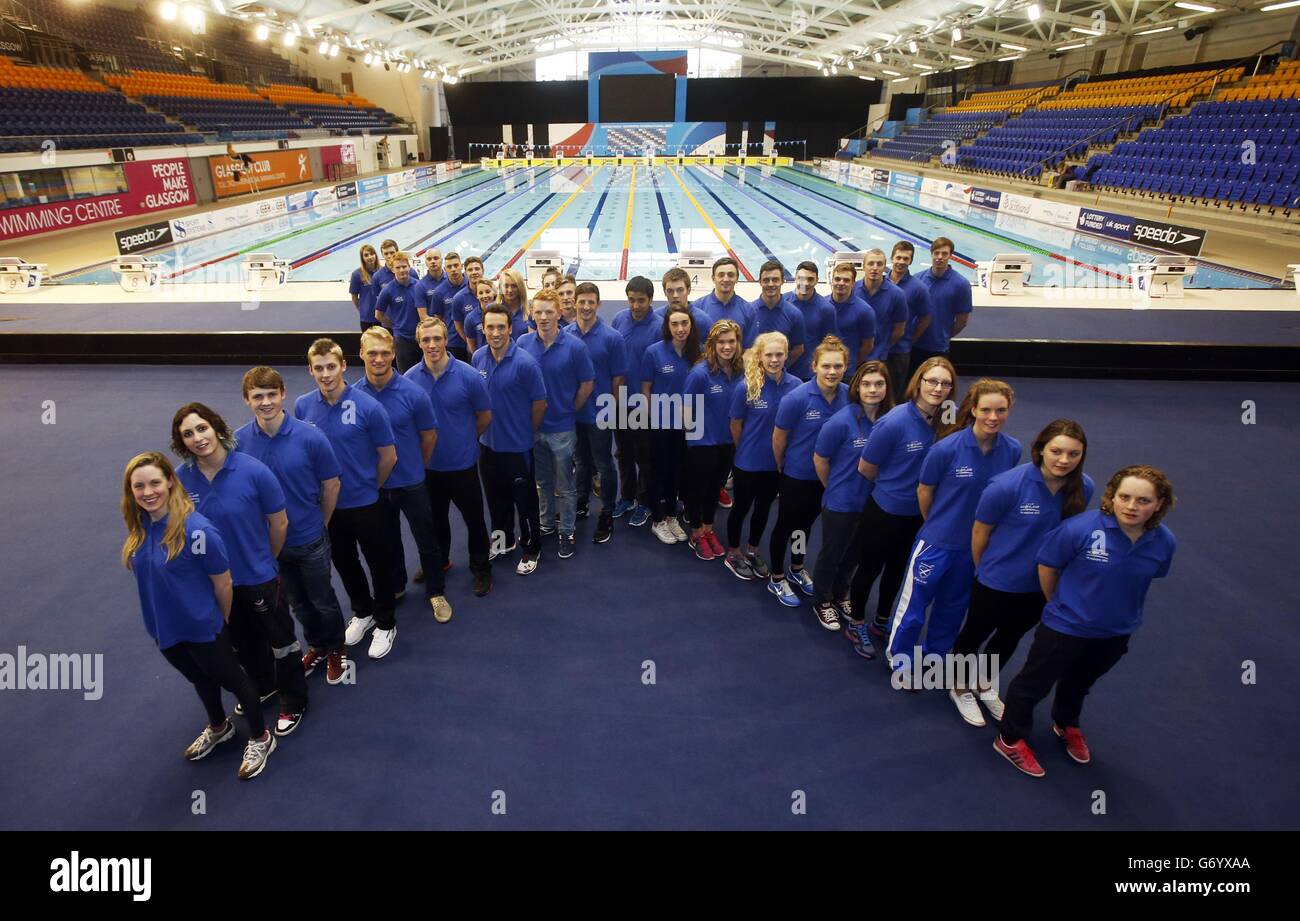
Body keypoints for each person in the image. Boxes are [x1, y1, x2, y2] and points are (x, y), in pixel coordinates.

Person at [994, 466, 1177, 778]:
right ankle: (1010, 738)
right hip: (1065, 627)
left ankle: (1065, 723)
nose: (1132, 506)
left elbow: (1148, 577)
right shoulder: (1079, 530)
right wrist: (1061, 606)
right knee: (1032, 685)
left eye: (1143, 500)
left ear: (1159, 504)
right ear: (1112, 498)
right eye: (1125, 497)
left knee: (1080, 683)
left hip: (1115, 632)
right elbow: (1048, 566)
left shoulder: (1164, 542)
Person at [121, 451, 276, 780]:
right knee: (199, 678)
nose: (148, 492)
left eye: (154, 483)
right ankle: (219, 727)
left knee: (236, 681)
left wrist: (217, 622)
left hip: (204, 628)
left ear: (170, 483)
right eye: (139, 486)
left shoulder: (198, 531)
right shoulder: (139, 530)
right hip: (164, 629)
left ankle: (261, 737)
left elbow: (223, 583)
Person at [171, 403, 309, 736]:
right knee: (243, 643)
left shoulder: (254, 470)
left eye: (202, 428)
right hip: (216, 583)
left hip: (258, 577)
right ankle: (265, 684)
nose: (198, 438)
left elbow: (279, 523)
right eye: (188, 434)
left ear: (217, 428)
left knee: (282, 642)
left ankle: (294, 700)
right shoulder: (180, 479)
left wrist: (263, 559)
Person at [950, 419, 1093, 727]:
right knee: (974, 634)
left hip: (1041, 585)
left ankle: (983, 682)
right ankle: (958, 687)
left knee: (1010, 636)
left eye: (1073, 454)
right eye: (1056, 451)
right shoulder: (1006, 486)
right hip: (996, 581)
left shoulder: (1084, 487)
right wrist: (986, 570)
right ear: (1040, 449)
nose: (1064, 460)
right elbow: (979, 533)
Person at [886, 379, 1021, 681]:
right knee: (915, 607)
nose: (993, 417)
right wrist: (938, 523)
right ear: (973, 409)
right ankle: (901, 656)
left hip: (974, 547)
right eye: (986, 409)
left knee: (954, 606)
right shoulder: (946, 448)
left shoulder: (1011, 450)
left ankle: (935, 656)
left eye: (1001, 410)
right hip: (936, 543)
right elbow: (924, 490)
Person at [235, 367, 349, 685]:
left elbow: (331, 485)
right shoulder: (239, 442)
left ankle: (336, 647)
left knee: (322, 598)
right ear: (247, 400)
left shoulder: (310, 436)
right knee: (297, 603)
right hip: (271, 545)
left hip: (310, 538)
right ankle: (317, 645)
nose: (266, 402)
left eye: (272, 395)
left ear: (283, 394)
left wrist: (319, 524)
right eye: (258, 396)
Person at [294, 338, 400, 660]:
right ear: (311, 370)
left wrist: (369, 486)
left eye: (331, 367)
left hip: (367, 503)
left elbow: (389, 457)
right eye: (319, 368)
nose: (326, 374)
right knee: (345, 563)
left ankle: (385, 621)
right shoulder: (303, 406)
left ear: (343, 366)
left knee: (379, 565)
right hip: (328, 507)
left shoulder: (369, 406)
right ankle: (363, 612)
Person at [850, 357, 958, 641]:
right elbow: (866, 467)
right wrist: (893, 487)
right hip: (885, 512)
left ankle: (882, 619)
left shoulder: (947, 421)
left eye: (945, 383)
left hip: (919, 514)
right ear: (918, 382)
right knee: (869, 568)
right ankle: (856, 622)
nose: (938, 388)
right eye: (932, 381)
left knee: (898, 570)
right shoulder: (894, 421)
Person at [355, 326, 453, 624]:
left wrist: (416, 466)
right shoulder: (354, 396)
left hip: (411, 482)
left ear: (393, 354)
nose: (379, 359)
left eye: (385, 353)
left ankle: (436, 591)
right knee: (387, 542)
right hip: (376, 487)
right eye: (372, 353)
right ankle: (395, 587)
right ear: (361, 354)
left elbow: (429, 436)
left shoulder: (413, 392)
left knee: (426, 539)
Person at [408, 316, 493, 596]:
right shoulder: (409, 380)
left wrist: (465, 439)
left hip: (463, 465)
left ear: (446, 340)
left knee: (475, 521)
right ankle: (440, 562)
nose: (432, 345)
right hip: (429, 468)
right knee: (435, 522)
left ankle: (481, 569)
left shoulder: (468, 376)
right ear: (419, 343)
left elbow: (484, 416)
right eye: (426, 340)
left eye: (437, 339)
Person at [811, 360, 893, 648]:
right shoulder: (840, 422)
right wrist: (833, 487)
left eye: (879, 384)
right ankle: (822, 599)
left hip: (873, 504)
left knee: (855, 554)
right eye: (867, 384)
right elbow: (820, 459)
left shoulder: (890, 421)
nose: (872, 389)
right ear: (857, 387)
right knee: (832, 553)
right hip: (841, 502)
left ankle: (840, 593)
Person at [766, 335, 849, 609]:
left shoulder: (849, 396)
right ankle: (777, 576)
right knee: (785, 526)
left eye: (838, 366)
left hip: (828, 479)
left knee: (805, 526)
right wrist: (783, 466)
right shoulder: (797, 398)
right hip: (796, 476)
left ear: (845, 367)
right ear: (814, 366)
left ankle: (797, 565)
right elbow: (779, 438)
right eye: (826, 366)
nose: (832, 371)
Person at [518, 289, 595, 559]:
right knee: (542, 481)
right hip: (534, 428)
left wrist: (569, 409)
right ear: (531, 314)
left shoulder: (575, 347)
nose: (543, 317)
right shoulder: (523, 344)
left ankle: (568, 529)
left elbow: (587, 384)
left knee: (566, 483)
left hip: (562, 428)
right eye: (538, 312)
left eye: (549, 312)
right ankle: (547, 522)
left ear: (559, 313)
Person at [473, 303, 548, 575]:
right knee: (495, 499)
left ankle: (532, 547)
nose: (495, 332)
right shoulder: (478, 358)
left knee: (525, 503)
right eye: (490, 327)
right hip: (488, 446)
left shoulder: (526, 363)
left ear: (510, 328)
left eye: (500, 327)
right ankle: (503, 541)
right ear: (483, 328)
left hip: (517, 447)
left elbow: (540, 404)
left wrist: (525, 433)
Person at [724, 331, 800, 580]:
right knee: (741, 508)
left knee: (763, 509)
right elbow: (736, 424)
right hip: (747, 462)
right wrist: (745, 447)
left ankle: (753, 550)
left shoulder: (797, 387)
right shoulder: (746, 386)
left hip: (777, 465)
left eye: (779, 354)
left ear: (787, 355)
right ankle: (733, 553)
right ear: (760, 356)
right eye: (769, 355)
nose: (774, 359)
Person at [569, 281, 627, 543]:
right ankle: (581, 501)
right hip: (574, 413)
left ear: (598, 304)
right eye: (582, 301)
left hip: (600, 413)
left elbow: (618, 378)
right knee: (581, 462)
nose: (586, 306)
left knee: (604, 464)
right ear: (574, 303)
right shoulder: (566, 334)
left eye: (591, 302)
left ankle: (607, 509)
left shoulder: (612, 337)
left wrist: (612, 409)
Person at [682, 319, 743, 560]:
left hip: (727, 442)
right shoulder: (700, 373)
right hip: (702, 444)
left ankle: (708, 528)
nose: (727, 346)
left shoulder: (740, 371)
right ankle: (696, 532)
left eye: (731, 341)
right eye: (721, 342)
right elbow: (685, 409)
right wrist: (693, 440)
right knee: (697, 490)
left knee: (714, 488)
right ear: (712, 344)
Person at [640, 305, 699, 545]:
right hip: (661, 423)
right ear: (667, 326)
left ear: (691, 326)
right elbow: (645, 389)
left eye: (684, 323)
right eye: (674, 324)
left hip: (688, 423)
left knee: (678, 471)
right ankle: (658, 519)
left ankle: (672, 514)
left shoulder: (698, 354)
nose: (680, 329)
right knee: (657, 471)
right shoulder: (654, 352)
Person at [611, 276, 661, 526]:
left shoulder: (659, 326)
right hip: (619, 400)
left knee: (645, 456)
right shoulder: (619, 319)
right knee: (623, 453)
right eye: (631, 300)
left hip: (644, 403)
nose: (635, 305)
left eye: (641, 301)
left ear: (650, 300)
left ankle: (644, 502)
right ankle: (627, 497)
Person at [911, 236, 971, 377]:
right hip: (914, 344)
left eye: (944, 254)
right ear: (931, 254)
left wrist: (944, 336)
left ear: (951, 256)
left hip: (938, 348)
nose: (940, 257)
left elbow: (962, 321)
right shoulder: (917, 279)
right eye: (936, 253)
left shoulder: (961, 284)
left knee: (935, 387)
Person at [887, 242, 932, 401]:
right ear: (892, 258)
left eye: (905, 258)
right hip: (878, 349)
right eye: (898, 257)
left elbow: (926, 317)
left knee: (897, 393)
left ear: (911, 261)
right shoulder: (880, 283)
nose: (901, 261)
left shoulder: (919, 288)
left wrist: (911, 339)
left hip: (900, 350)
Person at [375, 251, 429, 373]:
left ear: (409, 267)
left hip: (420, 337)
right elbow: (378, 315)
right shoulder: (388, 290)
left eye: (404, 266)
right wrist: (395, 324)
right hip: (402, 339)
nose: (401, 270)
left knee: (425, 372)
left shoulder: (419, 286)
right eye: (398, 267)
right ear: (393, 270)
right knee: (405, 374)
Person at [745, 259, 805, 368]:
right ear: (760, 282)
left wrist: (779, 366)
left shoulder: (794, 314)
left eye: (775, 280)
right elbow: (744, 347)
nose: (770, 284)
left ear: (783, 281)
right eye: (766, 280)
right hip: (753, 373)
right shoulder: (748, 311)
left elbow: (798, 349)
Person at [785, 262, 837, 381]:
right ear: (795, 278)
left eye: (810, 279)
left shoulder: (826, 309)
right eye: (801, 278)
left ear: (817, 280)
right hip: (782, 370)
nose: (805, 283)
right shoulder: (782, 302)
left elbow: (828, 345)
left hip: (809, 373)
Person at [855, 248, 908, 363]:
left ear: (884, 268)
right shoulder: (852, 290)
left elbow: (899, 330)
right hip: (854, 357)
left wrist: (883, 347)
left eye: (879, 264)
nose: (875, 268)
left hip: (879, 358)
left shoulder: (897, 294)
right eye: (870, 264)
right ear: (864, 267)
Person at [827, 261, 876, 370]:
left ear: (853, 283)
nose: (841, 283)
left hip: (848, 370)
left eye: (846, 280)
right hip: (824, 367)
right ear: (832, 280)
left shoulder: (865, 311)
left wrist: (852, 363)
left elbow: (868, 345)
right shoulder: (822, 305)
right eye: (837, 279)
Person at [693, 257, 752, 332]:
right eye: (721, 275)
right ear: (713, 278)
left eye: (730, 275)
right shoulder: (697, 308)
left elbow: (751, 343)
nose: (726, 279)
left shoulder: (748, 311)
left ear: (737, 278)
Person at [662, 267, 713, 339]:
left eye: (680, 290)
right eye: (670, 291)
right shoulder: (658, 318)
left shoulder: (703, 320)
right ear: (664, 292)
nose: (675, 295)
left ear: (688, 290)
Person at [449, 256, 486, 352]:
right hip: (473, 349)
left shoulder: (493, 292)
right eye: (470, 270)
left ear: (483, 271)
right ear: (465, 273)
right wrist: (470, 341)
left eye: (477, 269)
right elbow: (458, 325)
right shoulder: (459, 298)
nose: (474, 272)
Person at [350, 244, 382, 332]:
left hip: (383, 317)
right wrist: (363, 309)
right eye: (366, 255)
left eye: (372, 254)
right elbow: (354, 297)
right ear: (362, 258)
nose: (370, 257)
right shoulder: (357, 274)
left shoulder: (383, 272)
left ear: (376, 255)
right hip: (367, 318)